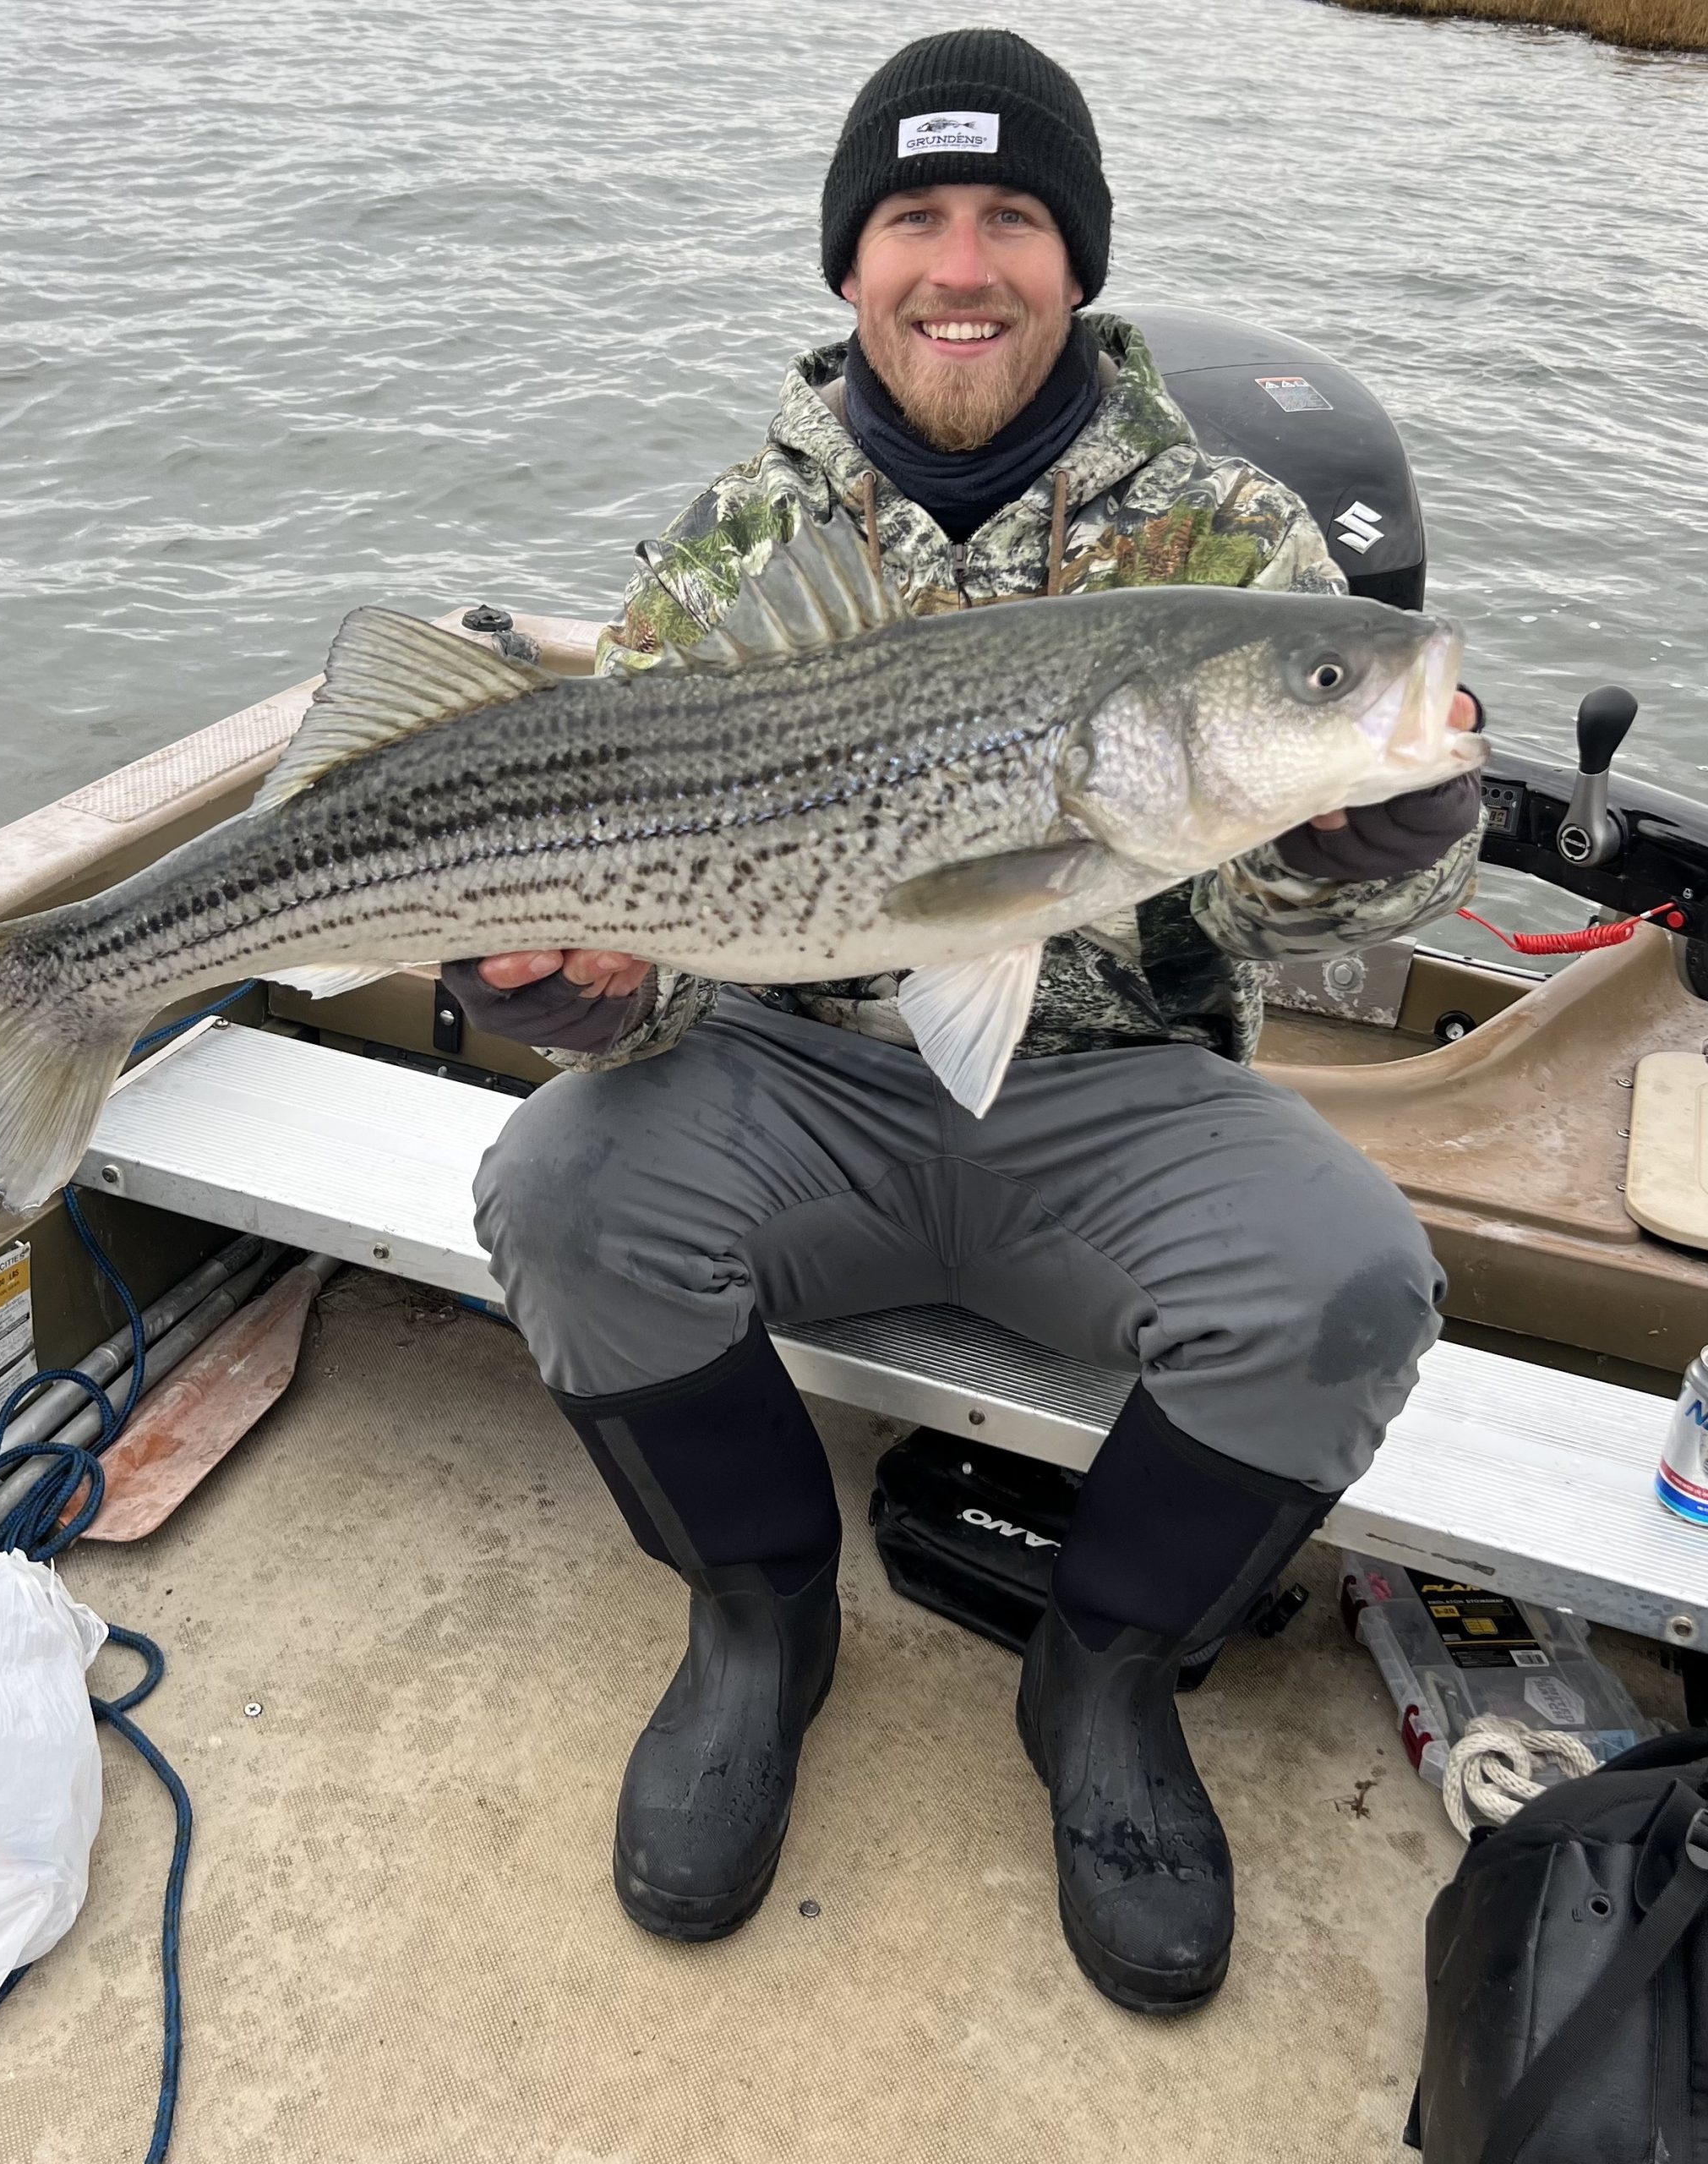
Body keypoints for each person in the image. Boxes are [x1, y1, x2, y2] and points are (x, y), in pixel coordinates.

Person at [450, 29, 1482, 2013]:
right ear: (848, 267)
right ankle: (756, 1619)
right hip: (790, 1078)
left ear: (1075, 262)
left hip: (1118, 1097)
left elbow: (1291, 889)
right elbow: (654, 931)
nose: (959, 262)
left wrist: (1377, 829)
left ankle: (1101, 1673)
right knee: (560, 1191)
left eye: (1012, 216)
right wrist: (547, 980)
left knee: (1350, 1279)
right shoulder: (738, 539)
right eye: (912, 216)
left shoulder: (1228, 542)